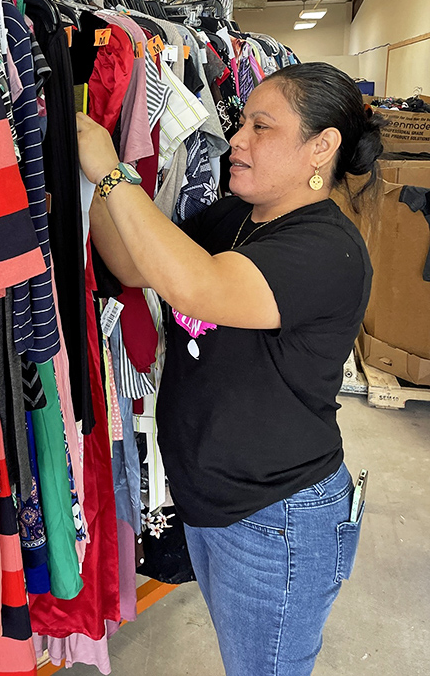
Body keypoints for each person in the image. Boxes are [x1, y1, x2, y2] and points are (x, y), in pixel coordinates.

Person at [76, 62, 385, 676]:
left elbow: (198, 288)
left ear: (320, 147)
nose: (236, 139)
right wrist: (89, 179)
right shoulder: (234, 218)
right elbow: (134, 264)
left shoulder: (328, 248)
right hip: (216, 505)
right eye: (242, 121)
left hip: (278, 517)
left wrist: (110, 170)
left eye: (261, 127)